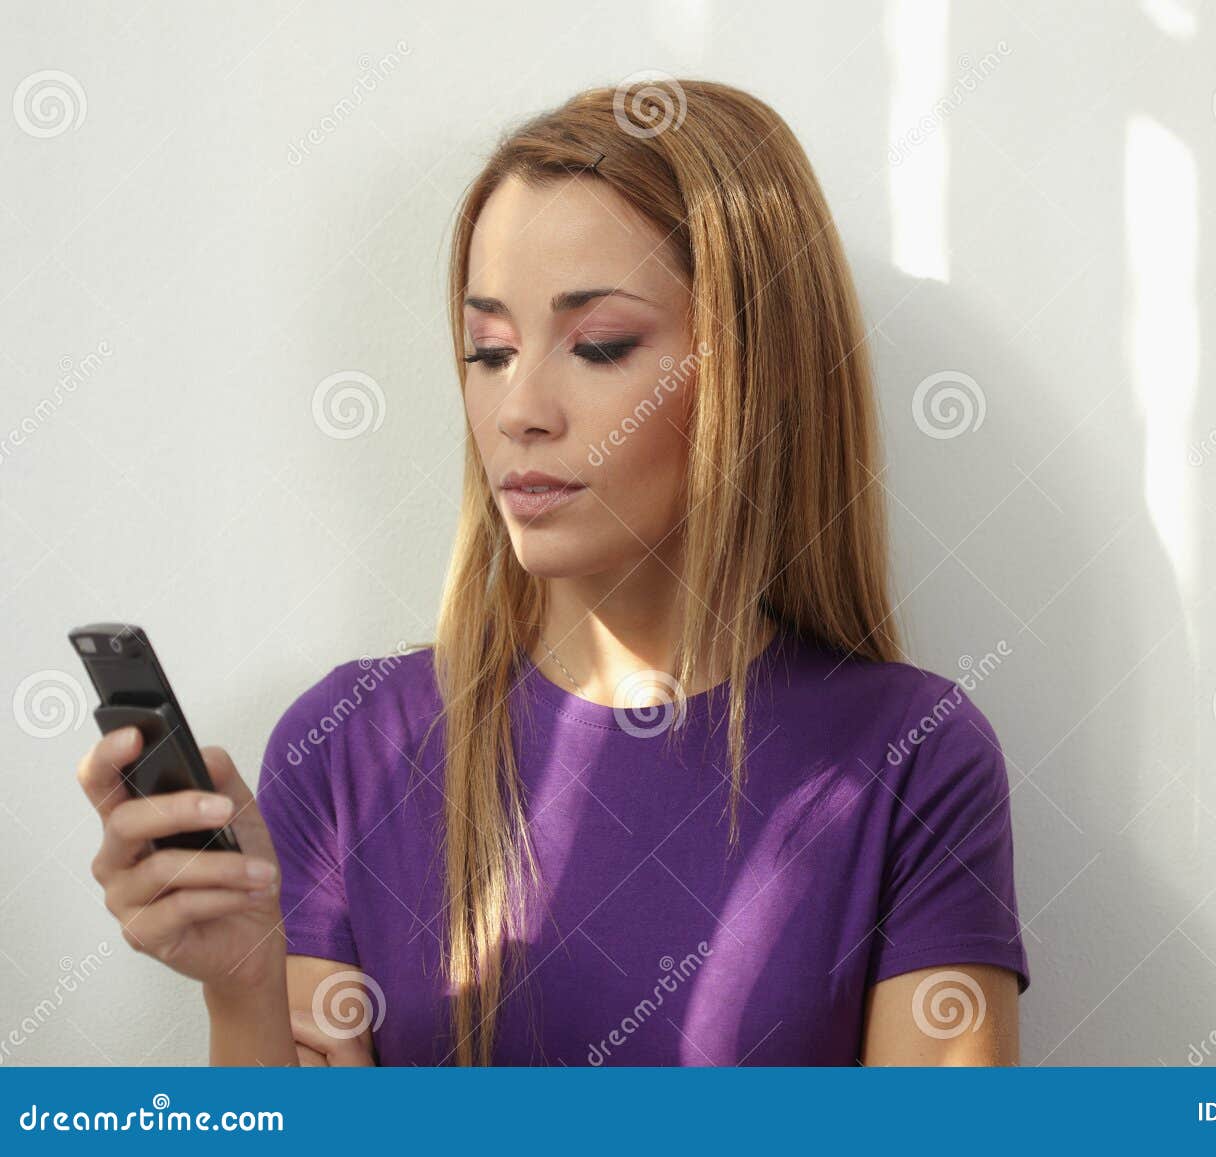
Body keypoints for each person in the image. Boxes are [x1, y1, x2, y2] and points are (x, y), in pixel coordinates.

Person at [76, 79, 1028, 1066]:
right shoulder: (347, 748)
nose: (518, 408)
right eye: (488, 349)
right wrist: (243, 992)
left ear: (757, 374)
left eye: (598, 344)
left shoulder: (913, 758)